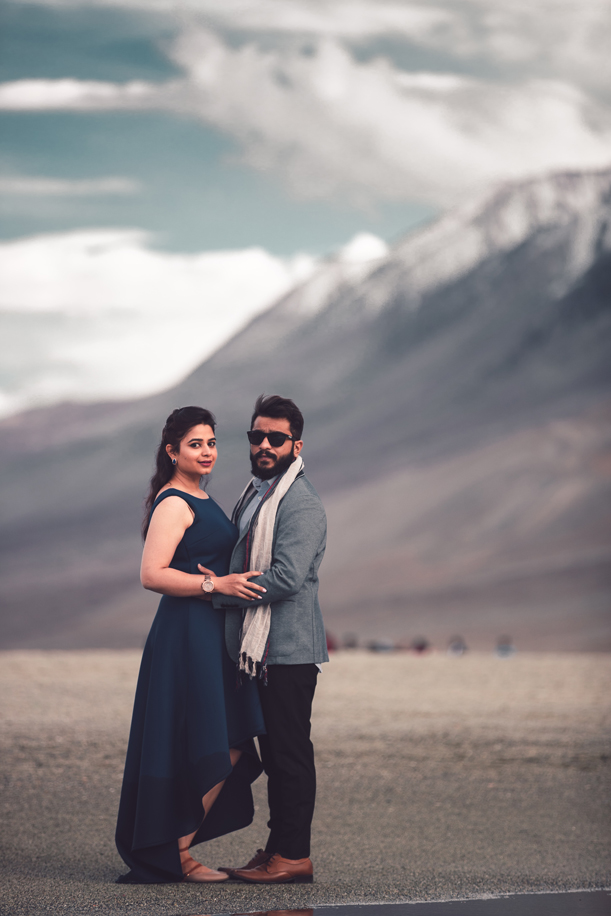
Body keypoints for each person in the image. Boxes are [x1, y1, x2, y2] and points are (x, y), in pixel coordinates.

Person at [115, 406, 266, 884]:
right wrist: (213, 587)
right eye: (195, 444)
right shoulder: (174, 502)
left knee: (232, 739)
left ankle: (177, 845)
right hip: (185, 634)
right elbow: (151, 574)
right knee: (210, 738)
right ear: (172, 451)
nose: (206, 452)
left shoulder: (202, 496)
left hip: (211, 634)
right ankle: (176, 853)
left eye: (212, 443)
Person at [198, 394, 328, 884]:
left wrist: (222, 593)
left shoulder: (300, 502)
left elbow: (288, 576)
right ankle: (278, 848)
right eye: (258, 436)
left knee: (289, 754)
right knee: (275, 754)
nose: (266, 445)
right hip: (260, 652)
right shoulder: (257, 493)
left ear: (297, 444)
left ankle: (293, 856)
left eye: (277, 438)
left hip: (288, 652)